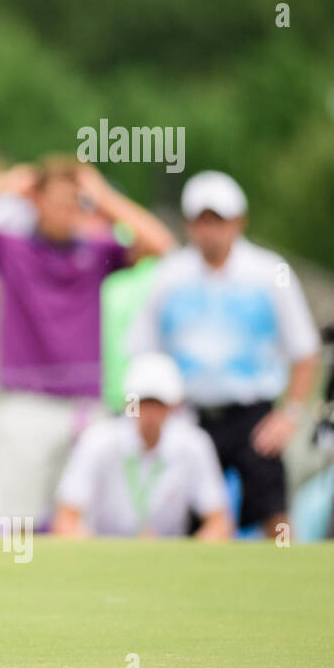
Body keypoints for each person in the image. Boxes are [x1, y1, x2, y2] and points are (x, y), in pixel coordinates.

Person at [0, 157, 175, 525]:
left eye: (75, 201)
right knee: (17, 523)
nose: (67, 210)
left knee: (81, 522)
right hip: (27, 403)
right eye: (58, 200)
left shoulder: (98, 252)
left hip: (85, 407)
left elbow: (160, 243)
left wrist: (102, 195)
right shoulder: (11, 249)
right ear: (37, 201)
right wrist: (9, 184)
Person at [127, 171, 320, 540]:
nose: (209, 231)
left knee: (273, 512)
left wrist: (290, 414)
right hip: (187, 416)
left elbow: (304, 350)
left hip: (253, 416)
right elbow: (143, 352)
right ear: (189, 224)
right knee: (189, 516)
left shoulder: (268, 272)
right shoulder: (169, 276)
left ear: (238, 222)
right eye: (202, 221)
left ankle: (288, 578)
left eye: (218, 220)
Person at [54, 353, 231, 540]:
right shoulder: (97, 442)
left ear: (172, 406)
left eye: (158, 404)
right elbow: (66, 520)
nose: (150, 413)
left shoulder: (194, 445)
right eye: (143, 403)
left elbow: (219, 523)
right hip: (105, 557)